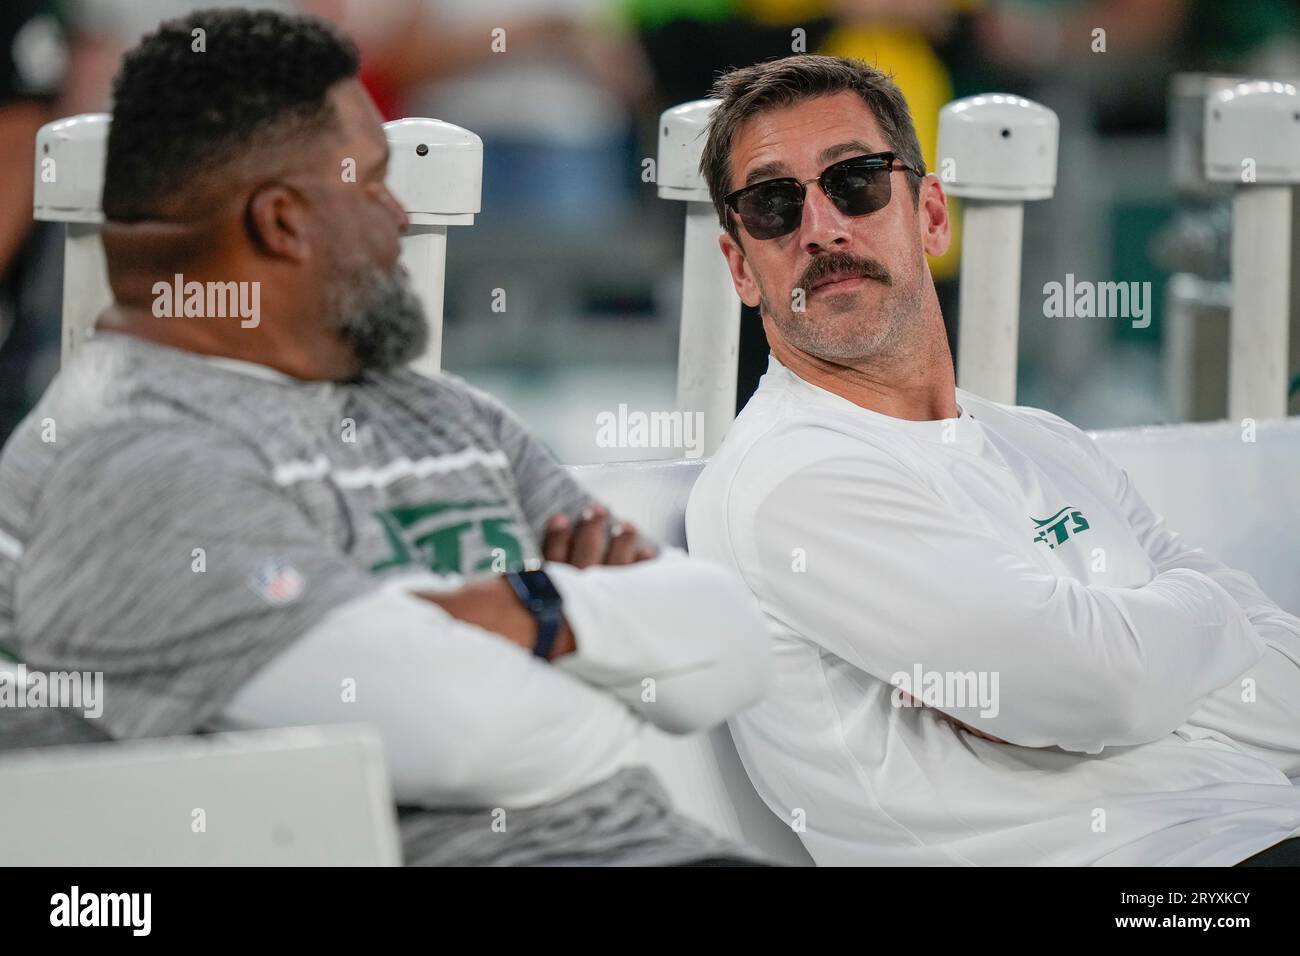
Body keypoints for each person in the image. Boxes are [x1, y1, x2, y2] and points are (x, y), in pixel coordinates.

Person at [0, 8, 773, 867]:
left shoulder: (440, 413)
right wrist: (595, 647)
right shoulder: (128, 459)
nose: (400, 215)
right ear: (282, 222)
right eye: (372, 182)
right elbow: (469, 735)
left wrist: (524, 610)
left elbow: (732, 644)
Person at [685, 53, 1300, 866]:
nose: (822, 227)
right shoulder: (791, 480)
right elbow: (1093, 688)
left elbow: (1283, 694)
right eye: (771, 204)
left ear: (932, 216)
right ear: (741, 268)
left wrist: (1121, 655)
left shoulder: (1040, 441)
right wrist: (1200, 616)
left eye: (857, 180)